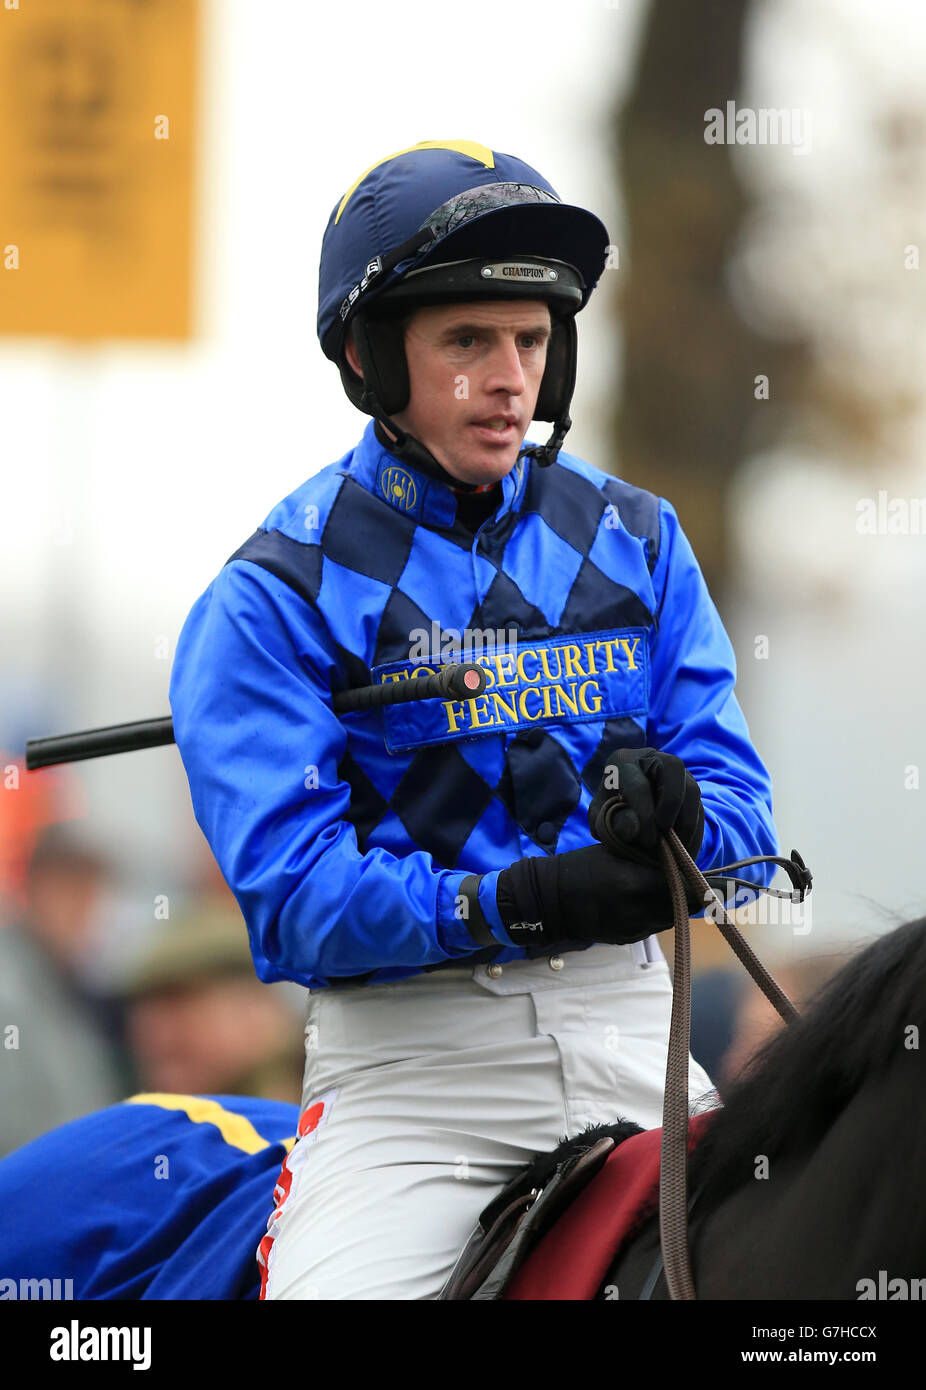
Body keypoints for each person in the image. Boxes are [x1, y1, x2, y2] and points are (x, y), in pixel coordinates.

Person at [168, 139, 780, 1300]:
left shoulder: (640, 542)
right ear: (367, 356)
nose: (508, 378)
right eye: (466, 341)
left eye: (531, 343)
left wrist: (689, 830)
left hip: (631, 1042)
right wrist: (515, 899)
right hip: (413, 1083)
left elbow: (744, 818)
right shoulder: (269, 595)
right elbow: (294, 903)